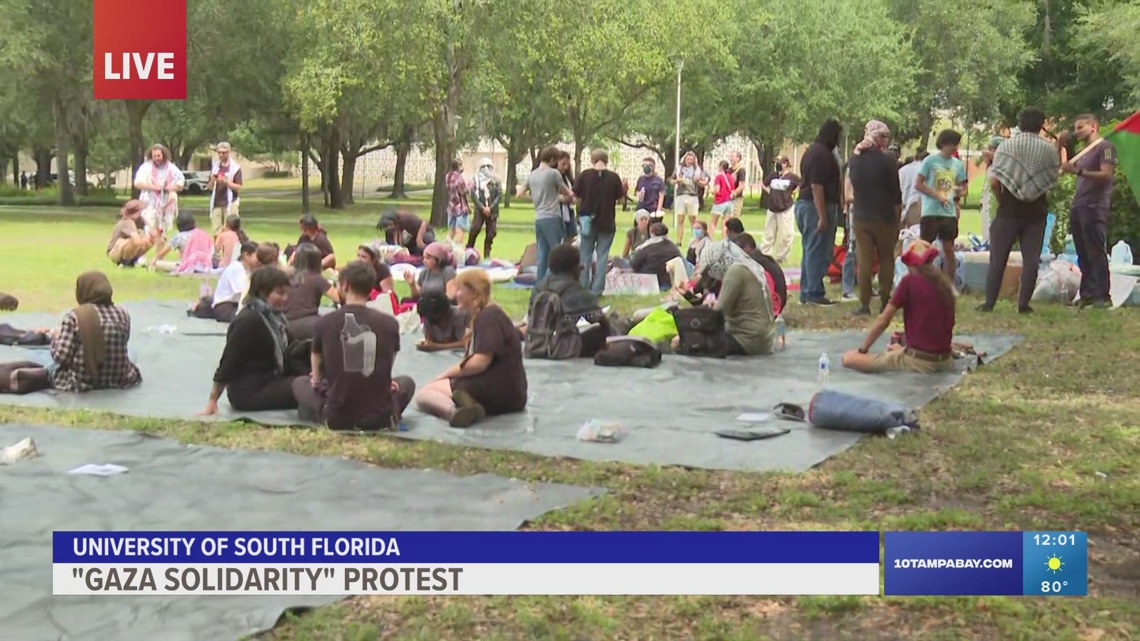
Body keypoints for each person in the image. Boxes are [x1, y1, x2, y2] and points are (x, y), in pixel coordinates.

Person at [292, 261, 415, 431]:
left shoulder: (325, 323)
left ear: (345, 285)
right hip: (378, 415)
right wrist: (385, 382)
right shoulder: (390, 323)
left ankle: (320, 412)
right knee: (406, 383)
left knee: (300, 383)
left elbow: (317, 377)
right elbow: (388, 364)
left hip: (337, 414)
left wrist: (319, 381)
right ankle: (389, 412)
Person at [414, 270, 527, 428]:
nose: (455, 295)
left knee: (425, 394)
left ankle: (455, 412)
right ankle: (469, 405)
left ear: (474, 292)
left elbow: (480, 362)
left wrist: (446, 374)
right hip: (510, 390)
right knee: (434, 389)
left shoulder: (489, 317)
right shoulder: (490, 315)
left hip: (498, 389)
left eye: (459, 289)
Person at [0, 271, 142, 394]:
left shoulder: (74, 317)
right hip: (119, 378)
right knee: (130, 352)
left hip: (81, 381)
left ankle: (29, 375)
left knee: (40, 357)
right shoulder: (123, 314)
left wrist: (57, 337)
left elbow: (60, 358)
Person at [980, 108, 1061, 314]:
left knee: (998, 257)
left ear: (1020, 123)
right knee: (1032, 259)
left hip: (1009, 208)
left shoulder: (1006, 146)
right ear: (1041, 124)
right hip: (1036, 210)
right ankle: (1023, 304)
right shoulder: (1049, 149)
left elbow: (995, 181)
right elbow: (1052, 179)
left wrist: (1001, 200)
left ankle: (989, 302)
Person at [842, 241, 956, 374]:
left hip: (920, 362)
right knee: (896, 350)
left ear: (910, 264)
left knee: (848, 359)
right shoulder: (945, 284)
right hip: (945, 360)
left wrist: (862, 349)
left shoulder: (909, 282)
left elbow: (883, 320)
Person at [201, 267, 299, 414]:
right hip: (250, 392)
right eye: (279, 293)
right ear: (262, 292)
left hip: (272, 380)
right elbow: (229, 362)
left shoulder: (275, 319)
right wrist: (212, 401)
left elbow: (292, 349)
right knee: (305, 387)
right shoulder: (249, 321)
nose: (285, 298)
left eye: (286, 293)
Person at [680, 240, 776, 356]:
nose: (711, 273)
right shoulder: (751, 267)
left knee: (686, 344)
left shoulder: (734, 272)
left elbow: (718, 313)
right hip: (765, 339)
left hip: (747, 339)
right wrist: (691, 298)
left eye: (710, 268)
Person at [847, 120, 903, 315]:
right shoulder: (888, 161)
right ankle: (885, 300)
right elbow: (896, 194)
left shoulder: (855, 160)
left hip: (861, 216)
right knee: (886, 258)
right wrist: (897, 219)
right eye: (885, 136)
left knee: (864, 260)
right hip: (885, 216)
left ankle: (864, 303)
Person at [1060, 114, 1117, 309]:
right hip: (1079, 204)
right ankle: (1087, 294)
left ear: (1093, 126)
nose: (1076, 132)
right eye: (1075, 128)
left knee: (1095, 250)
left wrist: (1079, 172)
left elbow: (1106, 174)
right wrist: (1061, 145)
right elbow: (1064, 166)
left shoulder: (1105, 147)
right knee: (1082, 252)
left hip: (1095, 205)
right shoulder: (1083, 151)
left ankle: (1102, 295)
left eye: (1080, 128)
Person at [525, 244, 613, 358]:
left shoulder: (539, 287)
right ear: (575, 267)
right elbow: (600, 320)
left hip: (534, 345)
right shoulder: (576, 291)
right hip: (561, 349)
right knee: (599, 332)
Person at [795, 119, 843, 305]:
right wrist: (822, 215)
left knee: (810, 249)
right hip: (814, 207)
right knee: (818, 251)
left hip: (806, 205)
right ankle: (813, 292)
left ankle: (807, 292)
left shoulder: (812, 151)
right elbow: (816, 186)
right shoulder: (821, 154)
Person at [915, 129, 968, 281]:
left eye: (957, 145)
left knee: (949, 250)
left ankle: (948, 285)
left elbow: (964, 189)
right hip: (931, 211)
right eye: (953, 145)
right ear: (944, 144)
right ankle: (920, 281)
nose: (955, 148)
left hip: (948, 212)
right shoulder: (930, 161)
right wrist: (936, 195)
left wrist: (959, 192)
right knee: (924, 247)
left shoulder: (957, 164)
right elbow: (918, 185)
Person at [574, 149, 626, 295]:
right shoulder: (614, 177)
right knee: (603, 256)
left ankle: (583, 287)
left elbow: (576, 196)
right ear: (606, 160)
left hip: (587, 221)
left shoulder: (584, 175)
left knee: (585, 255)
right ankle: (597, 289)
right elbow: (621, 199)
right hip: (607, 221)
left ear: (592, 159)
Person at [519, 146, 573, 282]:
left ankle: (540, 285)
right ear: (553, 159)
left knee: (542, 254)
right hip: (553, 217)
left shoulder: (533, 174)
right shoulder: (553, 174)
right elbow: (567, 192)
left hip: (539, 218)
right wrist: (567, 197)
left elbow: (520, 194)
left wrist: (536, 198)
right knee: (557, 253)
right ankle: (554, 281)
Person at [132, 143, 185, 255]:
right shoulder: (146, 168)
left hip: (166, 204)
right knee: (149, 230)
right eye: (154, 156)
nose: (157, 158)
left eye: (159, 156)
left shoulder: (171, 168)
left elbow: (180, 183)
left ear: (163, 155)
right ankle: (142, 257)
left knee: (162, 232)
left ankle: (157, 258)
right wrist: (153, 187)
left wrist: (168, 188)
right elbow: (137, 183)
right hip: (149, 203)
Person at [281, 244, 342, 340]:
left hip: (284, 323)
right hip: (309, 324)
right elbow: (338, 297)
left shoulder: (285, 277)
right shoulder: (317, 279)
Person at [190, 240, 259, 322]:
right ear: (247, 255)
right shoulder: (237, 269)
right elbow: (244, 292)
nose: (259, 260)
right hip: (225, 308)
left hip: (232, 306)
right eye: (257, 256)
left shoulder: (245, 269)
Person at [733, 232, 787, 317]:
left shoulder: (751, 261)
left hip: (768, 309)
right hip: (776, 304)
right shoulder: (762, 259)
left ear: (747, 247)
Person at [760, 155, 800, 263]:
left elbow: (801, 184)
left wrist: (792, 193)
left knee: (786, 235)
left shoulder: (792, 177)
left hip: (785, 208)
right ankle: (765, 255)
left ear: (785, 164)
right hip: (772, 208)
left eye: (780, 162)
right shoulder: (773, 176)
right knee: (769, 234)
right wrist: (770, 192)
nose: (777, 164)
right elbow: (763, 184)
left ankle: (781, 257)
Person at [671, 150, 709, 245]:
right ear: (684, 159)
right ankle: (679, 241)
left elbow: (706, 180)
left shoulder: (697, 170)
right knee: (680, 219)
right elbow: (671, 180)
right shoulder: (679, 169)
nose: (689, 161)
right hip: (681, 195)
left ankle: (694, 240)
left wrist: (699, 182)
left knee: (693, 219)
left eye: (691, 159)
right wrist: (677, 181)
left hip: (693, 195)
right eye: (688, 159)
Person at [106, 199, 158, 267]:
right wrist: (145, 238)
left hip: (124, 248)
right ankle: (124, 263)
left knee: (150, 241)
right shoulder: (128, 222)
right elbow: (137, 241)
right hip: (114, 251)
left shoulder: (139, 220)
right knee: (133, 241)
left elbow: (152, 231)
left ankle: (132, 261)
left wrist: (155, 235)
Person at [630, 223, 683, 289]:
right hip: (668, 281)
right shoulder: (673, 247)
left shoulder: (646, 247)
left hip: (648, 281)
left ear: (652, 233)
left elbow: (634, 264)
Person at [468, 157, 501, 258]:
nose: (486, 169)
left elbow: (499, 196)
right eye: (484, 167)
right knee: (475, 228)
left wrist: (490, 208)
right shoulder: (475, 181)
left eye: (489, 166)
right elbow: (473, 196)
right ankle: (469, 250)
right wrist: (482, 208)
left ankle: (487, 253)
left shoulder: (496, 181)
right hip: (479, 210)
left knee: (491, 232)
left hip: (492, 211)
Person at [206, 141, 242, 233]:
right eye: (219, 153)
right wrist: (212, 179)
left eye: (224, 152)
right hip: (217, 203)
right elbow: (209, 187)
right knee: (216, 231)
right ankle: (217, 247)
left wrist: (226, 182)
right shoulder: (215, 167)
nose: (221, 155)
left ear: (229, 152)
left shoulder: (235, 168)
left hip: (230, 202)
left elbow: (238, 187)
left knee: (231, 230)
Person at [978, 138, 1003, 242]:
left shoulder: (1001, 164)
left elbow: (986, 153)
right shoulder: (991, 166)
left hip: (994, 203)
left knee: (992, 233)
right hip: (986, 202)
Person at [634, 157, 667, 223]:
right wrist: (639, 194)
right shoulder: (641, 179)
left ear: (653, 167)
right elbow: (636, 191)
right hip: (641, 207)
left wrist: (658, 210)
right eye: (643, 165)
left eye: (648, 165)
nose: (645, 167)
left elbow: (661, 195)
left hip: (653, 209)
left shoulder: (658, 180)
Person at [709, 160, 736, 239]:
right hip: (729, 202)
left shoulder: (719, 176)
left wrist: (711, 191)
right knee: (725, 223)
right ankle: (724, 240)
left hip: (720, 201)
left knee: (713, 223)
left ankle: (710, 240)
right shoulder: (730, 177)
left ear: (721, 167)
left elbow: (717, 189)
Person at [445, 159, 470, 245]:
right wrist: (470, 186)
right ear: (459, 166)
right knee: (460, 229)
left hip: (451, 206)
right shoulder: (459, 177)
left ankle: (446, 247)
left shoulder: (448, 176)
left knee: (451, 230)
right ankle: (457, 249)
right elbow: (464, 191)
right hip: (460, 207)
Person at [556, 151, 578, 243]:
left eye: (567, 164)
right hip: (557, 211)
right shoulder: (553, 176)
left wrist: (573, 199)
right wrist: (562, 198)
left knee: (571, 236)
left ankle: (567, 255)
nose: (565, 167)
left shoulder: (567, 178)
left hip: (569, 211)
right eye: (563, 164)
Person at [729, 150, 747, 221]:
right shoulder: (728, 170)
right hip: (727, 198)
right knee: (727, 218)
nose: (730, 158)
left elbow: (741, 185)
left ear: (738, 158)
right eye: (730, 156)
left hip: (737, 198)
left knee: (734, 218)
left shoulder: (741, 170)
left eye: (732, 156)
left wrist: (734, 193)